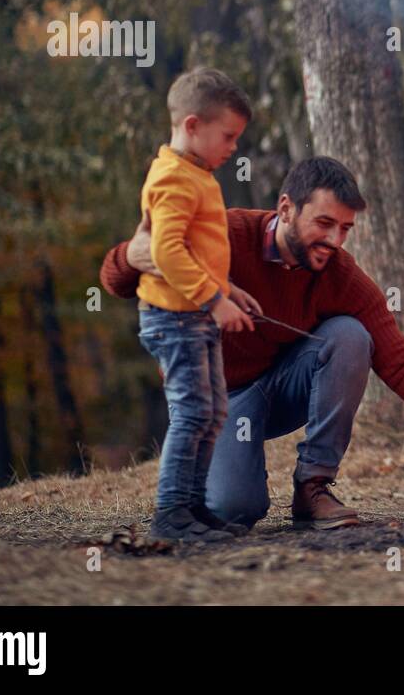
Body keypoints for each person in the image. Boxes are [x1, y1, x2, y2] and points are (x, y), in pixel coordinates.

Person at [101, 157, 404, 530]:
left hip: (279, 390)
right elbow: (116, 281)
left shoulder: (338, 274)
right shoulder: (224, 235)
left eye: (345, 228)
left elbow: (397, 357)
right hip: (214, 399)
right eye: (325, 223)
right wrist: (131, 256)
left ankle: (313, 488)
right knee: (236, 509)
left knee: (349, 335)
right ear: (287, 208)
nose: (335, 240)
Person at [136, 67, 258, 542]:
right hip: (174, 318)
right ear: (192, 125)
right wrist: (214, 301)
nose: (233, 148)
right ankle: (170, 516)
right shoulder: (173, 178)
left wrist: (227, 289)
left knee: (213, 412)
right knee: (191, 413)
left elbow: (194, 248)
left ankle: (193, 507)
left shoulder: (198, 173)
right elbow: (166, 252)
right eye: (227, 136)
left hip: (196, 314)